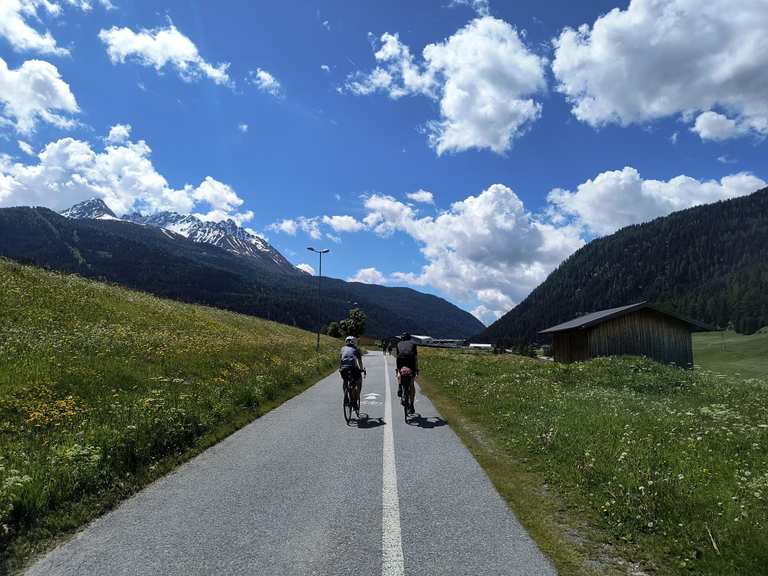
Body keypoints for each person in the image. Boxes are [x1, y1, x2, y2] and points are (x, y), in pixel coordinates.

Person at [339, 335, 365, 414]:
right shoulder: (356, 349)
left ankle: (346, 398)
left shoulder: (342, 349)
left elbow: (340, 359)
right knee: (358, 382)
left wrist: (340, 368)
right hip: (353, 368)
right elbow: (359, 361)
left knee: (345, 381)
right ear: (355, 342)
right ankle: (355, 401)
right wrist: (361, 369)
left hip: (343, 369)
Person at [395, 333, 418, 412]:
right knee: (411, 384)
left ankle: (399, 386)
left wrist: (397, 369)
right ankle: (411, 405)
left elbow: (397, 355)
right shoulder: (413, 344)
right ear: (409, 338)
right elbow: (415, 358)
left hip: (400, 359)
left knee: (399, 370)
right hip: (411, 360)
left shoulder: (399, 343)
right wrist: (416, 369)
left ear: (402, 338)